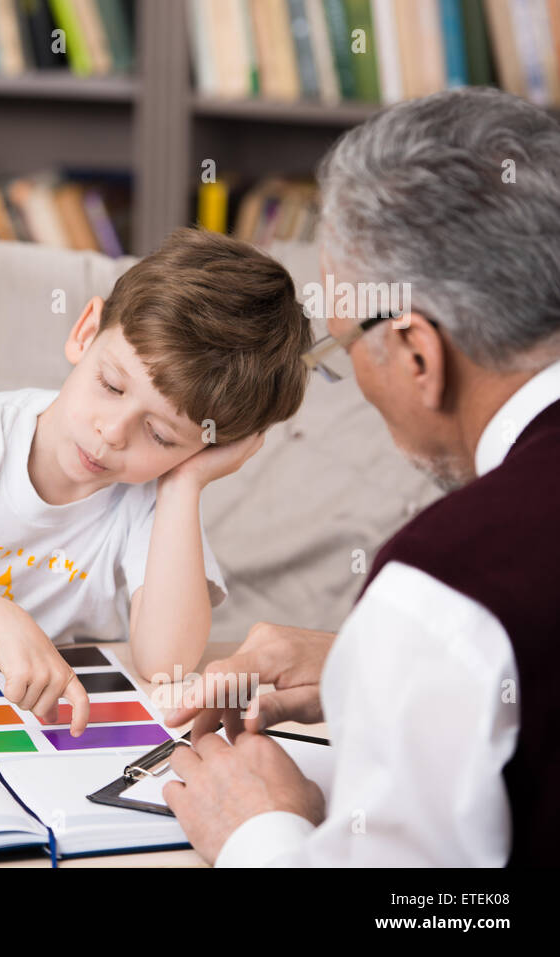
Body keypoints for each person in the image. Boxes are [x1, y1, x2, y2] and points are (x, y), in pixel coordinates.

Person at [162, 87, 560, 867]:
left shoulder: (444, 591)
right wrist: (367, 665)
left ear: (417, 352)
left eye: (346, 346)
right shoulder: (450, 622)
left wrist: (258, 829)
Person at [0, 228, 313, 733]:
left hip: (37, 715)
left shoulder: (151, 498)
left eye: (162, 435)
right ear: (85, 331)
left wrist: (183, 486)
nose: (112, 432)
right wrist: (4, 620)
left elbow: (166, 665)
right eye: (111, 385)